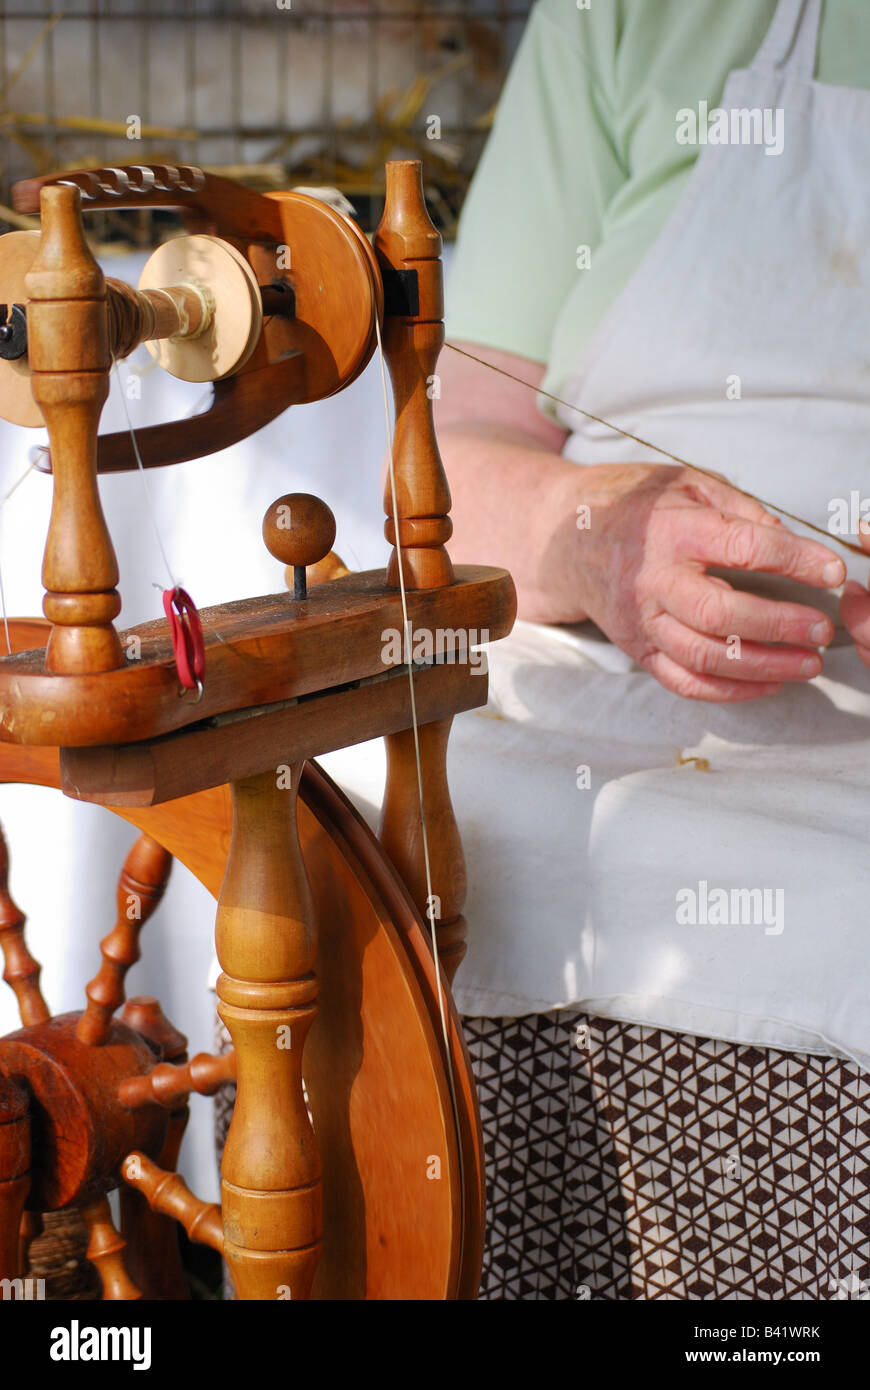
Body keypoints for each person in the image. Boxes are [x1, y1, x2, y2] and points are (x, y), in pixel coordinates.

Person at [391, 0, 870, 1298]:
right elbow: (452, 462)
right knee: (395, 855)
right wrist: (593, 534)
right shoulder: (623, 13)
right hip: (583, 663)